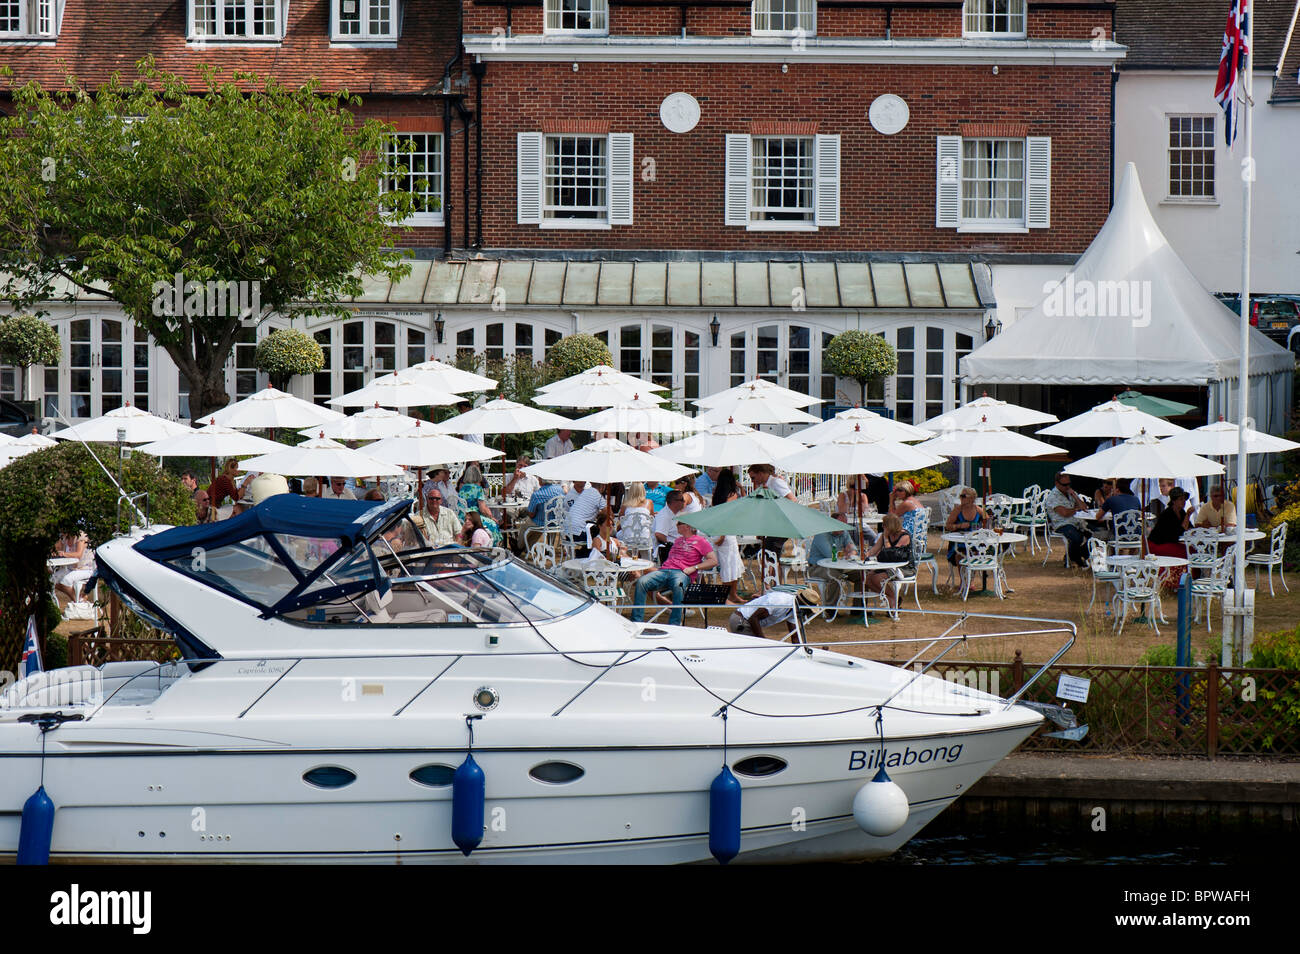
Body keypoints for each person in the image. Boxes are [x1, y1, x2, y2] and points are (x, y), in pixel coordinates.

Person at [631, 519, 718, 626]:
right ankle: (636, 621)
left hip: (682, 572)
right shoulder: (678, 540)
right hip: (665, 570)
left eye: (679, 523)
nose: (676, 525)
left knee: (678, 585)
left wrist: (694, 567)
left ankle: (675, 624)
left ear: (687, 526)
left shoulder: (701, 541)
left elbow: (713, 561)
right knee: (641, 582)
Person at [727, 587, 822, 640]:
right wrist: (763, 640)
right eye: (807, 611)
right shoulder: (780, 601)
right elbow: (753, 618)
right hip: (741, 621)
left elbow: (794, 635)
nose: (806, 614)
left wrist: (800, 650)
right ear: (802, 605)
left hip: (747, 621)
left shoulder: (794, 609)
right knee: (756, 651)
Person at [862, 513, 912, 613]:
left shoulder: (904, 536)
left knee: (877, 578)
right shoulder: (886, 535)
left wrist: (885, 538)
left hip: (903, 567)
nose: (882, 526)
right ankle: (893, 598)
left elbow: (892, 554)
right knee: (867, 579)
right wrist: (865, 555)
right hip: (887, 566)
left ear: (890, 525)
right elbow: (874, 550)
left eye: (884, 525)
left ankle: (893, 601)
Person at [1044, 471, 1091, 567]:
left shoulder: (1070, 493)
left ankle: (1076, 554)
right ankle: (1076, 558)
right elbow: (1064, 513)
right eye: (1064, 484)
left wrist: (1075, 496)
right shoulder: (1053, 497)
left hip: (1077, 522)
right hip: (1062, 524)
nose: (1067, 487)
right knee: (1076, 538)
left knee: (1094, 535)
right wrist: (1077, 509)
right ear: (1057, 484)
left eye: (1069, 484)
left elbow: (1084, 507)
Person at [711, 471, 744, 604]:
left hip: (718, 529)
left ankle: (732, 594)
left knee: (730, 563)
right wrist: (723, 535)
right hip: (726, 531)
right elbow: (727, 515)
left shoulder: (716, 495)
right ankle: (727, 595)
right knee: (730, 564)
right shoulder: (732, 495)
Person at [458, 463, 503, 545]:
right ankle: (493, 545)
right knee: (493, 524)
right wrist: (492, 517)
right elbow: (482, 509)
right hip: (473, 517)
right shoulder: (478, 489)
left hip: (462, 516)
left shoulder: (462, 488)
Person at [515, 478, 564, 551]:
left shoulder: (537, 494)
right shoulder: (560, 489)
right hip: (556, 521)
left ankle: (518, 547)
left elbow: (531, 514)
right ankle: (529, 548)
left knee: (525, 526)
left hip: (541, 522)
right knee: (536, 528)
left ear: (540, 481)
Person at [944, 487, 988, 567]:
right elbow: (948, 526)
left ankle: (970, 578)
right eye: (960, 496)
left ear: (971, 498)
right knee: (959, 555)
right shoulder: (957, 510)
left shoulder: (978, 510)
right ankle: (963, 579)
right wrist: (959, 526)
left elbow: (988, 521)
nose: (960, 498)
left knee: (977, 553)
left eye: (963, 496)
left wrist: (981, 528)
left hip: (974, 542)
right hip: (959, 543)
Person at [565, 481, 606, 555]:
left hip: (568, 532)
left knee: (594, 532)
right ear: (603, 486)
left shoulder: (585, 492)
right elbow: (609, 513)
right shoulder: (597, 496)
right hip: (578, 533)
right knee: (603, 533)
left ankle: (582, 554)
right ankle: (596, 556)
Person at [53, 531, 95, 604]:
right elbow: (58, 549)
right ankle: (79, 599)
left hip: (84, 568)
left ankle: (78, 601)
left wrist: (63, 554)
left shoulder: (81, 537)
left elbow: (78, 555)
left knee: (65, 581)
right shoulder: (65, 537)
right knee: (52, 580)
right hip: (70, 567)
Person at [1148, 487, 1190, 558]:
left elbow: (1189, 527)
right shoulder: (1167, 514)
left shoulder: (1181, 512)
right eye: (1181, 499)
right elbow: (1180, 531)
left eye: (1184, 499)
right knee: (1188, 552)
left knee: (1192, 550)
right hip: (1159, 544)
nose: (1184, 501)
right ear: (1174, 501)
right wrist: (1188, 515)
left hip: (1171, 543)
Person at [653, 490, 687, 563]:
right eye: (682, 500)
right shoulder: (664, 515)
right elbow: (659, 534)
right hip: (672, 551)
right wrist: (672, 545)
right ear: (674, 502)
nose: (684, 502)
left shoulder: (675, 513)